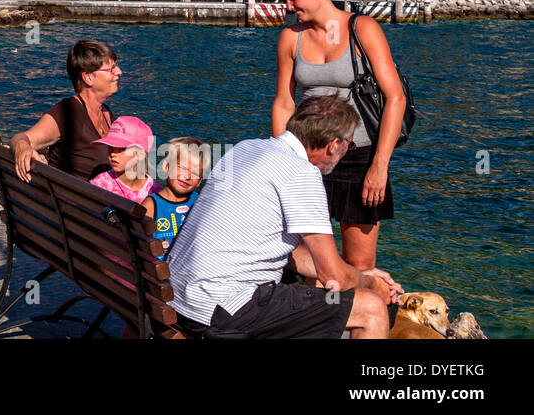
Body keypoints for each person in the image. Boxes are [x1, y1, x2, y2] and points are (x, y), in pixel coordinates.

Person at [168, 96, 402, 339]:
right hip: (221, 310)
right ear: (333, 145)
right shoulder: (302, 173)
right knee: (371, 308)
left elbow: (285, 255)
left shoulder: (246, 148)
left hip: (180, 297)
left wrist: (359, 274)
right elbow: (335, 278)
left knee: (317, 293)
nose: (345, 152)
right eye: (348, 146)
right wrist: (373, 285)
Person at [274, 0, 404, 270]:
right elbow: (284, 103)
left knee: (359, 263)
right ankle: (317, 316)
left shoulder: (363, 29)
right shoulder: (291, 38)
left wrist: (379, 167)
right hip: (306, 160)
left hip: (359, 158)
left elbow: (395, 99)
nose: (289, 8)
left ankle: (357, 317)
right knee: (303, 258)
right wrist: (279, 162)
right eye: (286, 0)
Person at [9, 39, 118, 183]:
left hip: (90, 201)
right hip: (79, 203)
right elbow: (22, 138)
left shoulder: (106, 113)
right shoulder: (68, 113)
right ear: (88, 77)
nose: (119, 72)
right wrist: (22, 147)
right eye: (111, 69)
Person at [144, 137, 206, 261]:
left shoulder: (199, 202)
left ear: (199, 181)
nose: (187, 176)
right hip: (160, 275)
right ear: (166, 167)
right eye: (182, 168)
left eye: (194, 173)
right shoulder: (151, 205)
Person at [90, 115, 159, 203]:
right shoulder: (100, 184)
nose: (113, 154)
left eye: (122, 148)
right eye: (110, 147)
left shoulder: (154, 191)